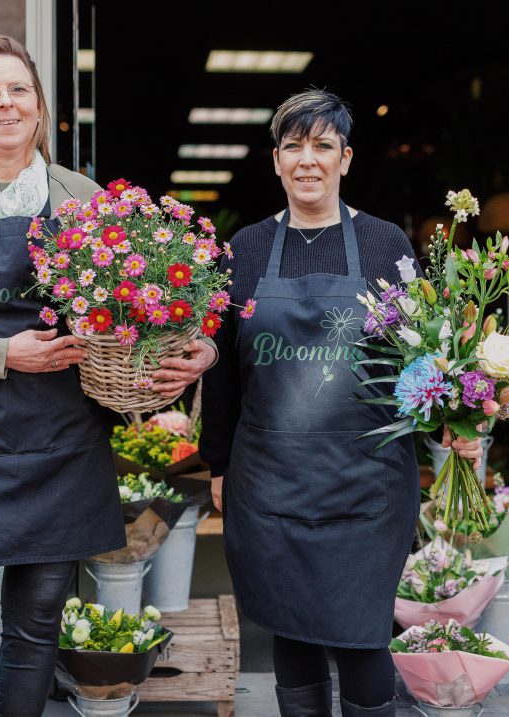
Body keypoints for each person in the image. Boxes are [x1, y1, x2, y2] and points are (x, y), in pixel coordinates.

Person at [0, 36, 212, 715]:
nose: (5, 104)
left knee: (34, 629)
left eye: (18, 90)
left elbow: (145, 306)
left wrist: (197, 345)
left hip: (59, 441)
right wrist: (4, 353)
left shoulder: (80, 197)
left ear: (39, 106)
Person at [200, 89, 483, 717]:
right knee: (291, 636)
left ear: (345, 158)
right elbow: (220, 372)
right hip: (269, 483)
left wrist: (451, 426)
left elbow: (425, 353)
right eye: (294, 146)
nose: (308, 160)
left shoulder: (385, 245)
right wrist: (217, 462)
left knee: (362, 642)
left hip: (367, 488)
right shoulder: (243, 251)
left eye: (322, 146)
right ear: (276, 160)